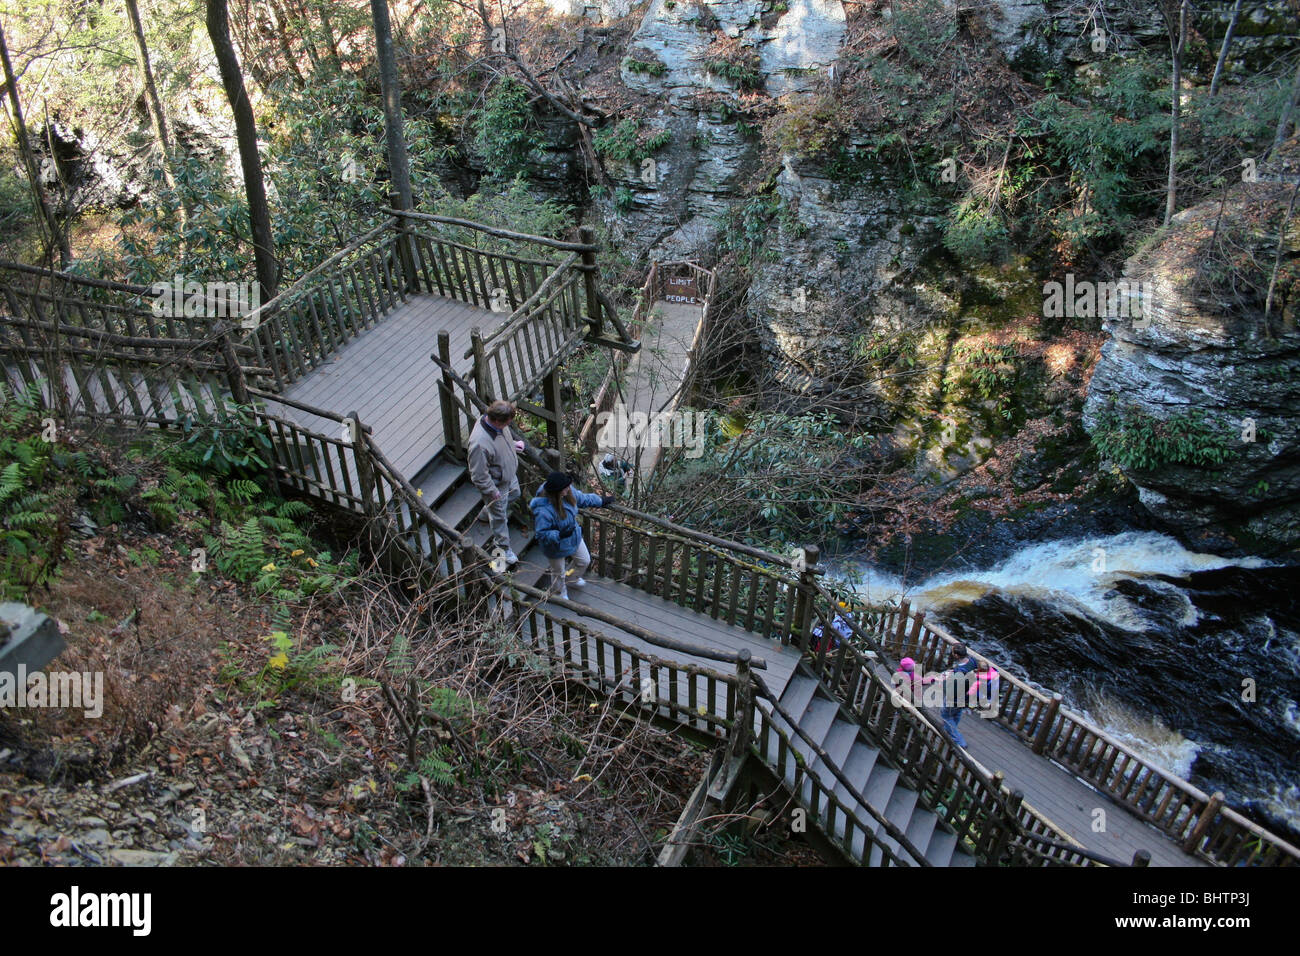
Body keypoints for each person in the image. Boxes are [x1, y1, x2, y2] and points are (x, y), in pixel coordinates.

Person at [529, 471, 614, 600]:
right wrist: (559, 534)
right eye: (566, 488)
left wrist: (601, 501)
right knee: (558, 572)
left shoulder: (567, 492)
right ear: (557, 492)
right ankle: (559, 593)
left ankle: (571, 578)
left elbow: (582, 498)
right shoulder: (543, 510)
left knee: (584, 560)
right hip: (555, 545)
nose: (569, 489)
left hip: (573, 535)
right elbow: (542, 534)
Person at [468, 400, 525, 565]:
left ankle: (486, 513)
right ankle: (503, 548)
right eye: (507, 423)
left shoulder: (498, 425)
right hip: (496, 485)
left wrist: (514, 446)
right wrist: (492, 491)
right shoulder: (479, 443)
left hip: (508, 476)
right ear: (497, 421)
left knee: (516, 493)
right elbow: (478, 475)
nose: (509, 425)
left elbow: (502, 442)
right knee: (500, 518)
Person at [938, 643, 978, 748]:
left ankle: (959, 741)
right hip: (967, 696)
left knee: (946, 715)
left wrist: (944, 680)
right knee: (956, 713)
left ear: (956, 655)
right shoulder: (972, 661)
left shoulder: (959, 673)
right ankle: (950, 729)